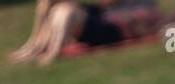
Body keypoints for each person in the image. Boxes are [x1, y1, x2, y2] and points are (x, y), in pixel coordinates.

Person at [10, 0, 157, 65]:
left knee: (67, 10)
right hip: (106, 14)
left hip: (117, 23)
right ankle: (36, 45)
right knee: (53, 2)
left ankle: (53, 53)